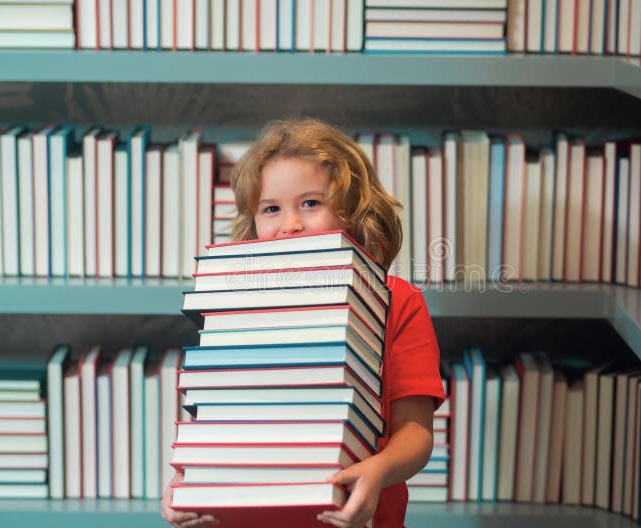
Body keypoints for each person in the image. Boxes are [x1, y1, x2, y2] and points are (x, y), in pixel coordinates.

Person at [161, 118, 444, 528]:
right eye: (271, 208)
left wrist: (378, 471)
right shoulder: (234, 300)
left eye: (311, 203)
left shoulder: (397, 300)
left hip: (353, 514)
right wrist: (187, 482)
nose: (290, 224)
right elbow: (219, 424)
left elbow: (416, 433)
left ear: (352, 210)